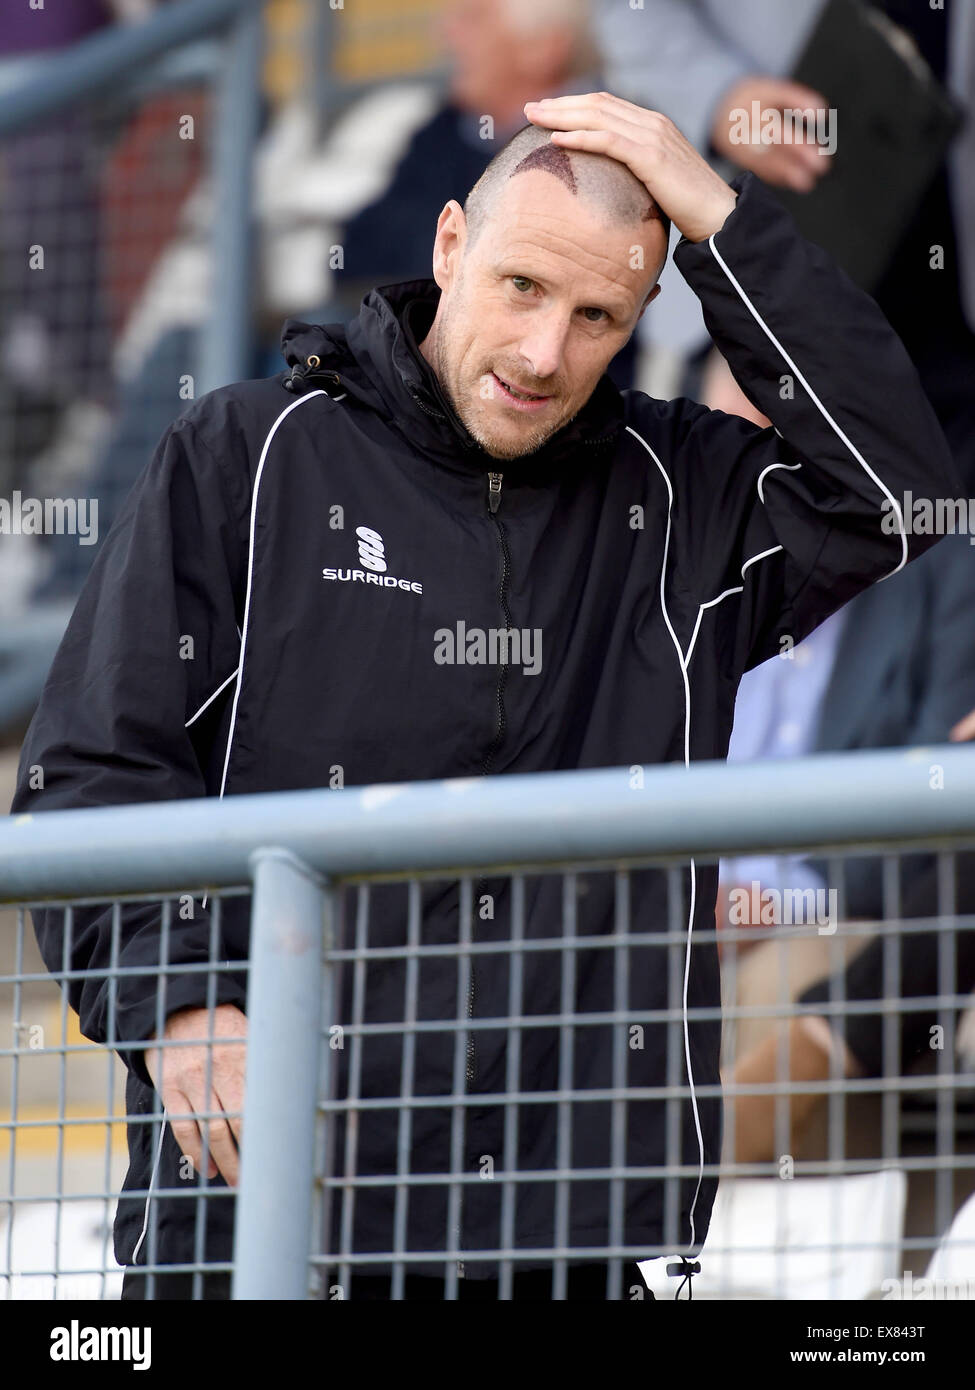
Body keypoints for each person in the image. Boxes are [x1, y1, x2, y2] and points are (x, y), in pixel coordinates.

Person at [10, 92, 959, 1300]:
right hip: (260, 1216)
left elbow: (896, 489)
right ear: (450, 243)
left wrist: (721, 217)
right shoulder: (245, 455)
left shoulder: (681, 497)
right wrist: (183, 1001)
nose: (543, 353)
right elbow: (89, 771)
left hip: (559, 1238)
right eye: (521, 286)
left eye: (599, 314)